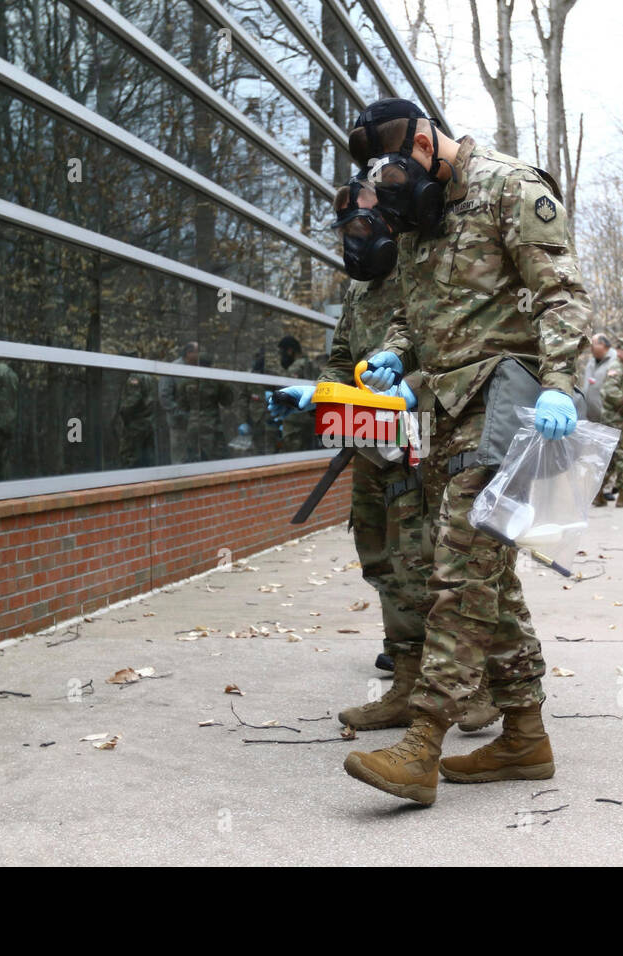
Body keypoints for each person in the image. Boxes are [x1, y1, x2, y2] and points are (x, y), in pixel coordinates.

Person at [339, 98, 592, 805]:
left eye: (399, 168)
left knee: (457, 568)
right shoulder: (419, 212)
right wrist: (392, 356)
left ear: (426, 141)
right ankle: (524, 736)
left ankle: (422, 744)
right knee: (491, 577)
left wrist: (564, 384)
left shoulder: (512, 187)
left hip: (513, 407)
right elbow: (409, 314)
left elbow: (562, 296)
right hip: (446, 410)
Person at [274, 180, 499, 735]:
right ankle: (406, 683)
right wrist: (316, 394)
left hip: (425, 444)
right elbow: (341, 361)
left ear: (385, 223)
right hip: (371, 449)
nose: (353, 242)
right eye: (345, 231)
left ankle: (478, 687)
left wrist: (409, 384)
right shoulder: (358, 292)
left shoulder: (422, 273)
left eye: (360, 229)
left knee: (438, 565)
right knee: (384, 562)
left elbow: (454, 354)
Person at [596, 336, 623, 507]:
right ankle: (622, 495)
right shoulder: (616, 368)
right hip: (617, 420)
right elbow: (610, 392)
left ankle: (598, 494)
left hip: (617, 420)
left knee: (613, 458)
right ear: (618, 351)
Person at [276, 335, 319, 452]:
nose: (281, 356)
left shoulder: (295, 367)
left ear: (290, 351)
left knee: (293, 454)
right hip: (311, 421)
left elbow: (286, 393)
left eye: (282, 352)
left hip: (295, 423)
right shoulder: (313, 365)